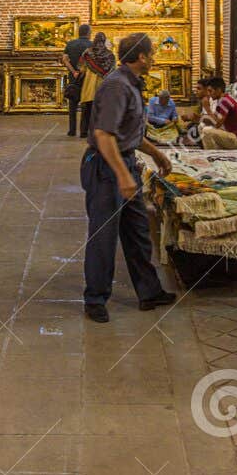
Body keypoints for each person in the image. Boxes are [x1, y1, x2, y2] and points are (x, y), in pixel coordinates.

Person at [81, 31, 177, 323]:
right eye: (152, 54)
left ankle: (149, 292)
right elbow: (104, 134)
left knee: (137, 231)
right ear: (141, 57)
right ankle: (95, 299)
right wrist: (123, 175)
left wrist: (157, 155)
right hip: (106, 169)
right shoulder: (117, 87)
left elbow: (129, 132)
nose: (154, 58)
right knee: (104, 236)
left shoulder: (132, 84)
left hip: (123, 164)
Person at [77, 30, 115, 138]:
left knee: (86, 111)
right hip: (102, 87)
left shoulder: (87, 53)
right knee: (100, 111)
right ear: (104, 41)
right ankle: (99, 132)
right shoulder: (110, 55)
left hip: (88, 87)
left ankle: (84, 132)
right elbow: (112, 72)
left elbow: (81, 68)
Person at [195, 74, 237, 149]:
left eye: (210, 91)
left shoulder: (225, 101)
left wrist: (207, 108)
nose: (209, 94)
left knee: (206, 131)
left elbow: (217, 124)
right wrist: (199, 118)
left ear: (218, 90)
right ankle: (213, 152)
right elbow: (214, 119)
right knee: (202, 127)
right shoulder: (221, 100)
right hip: (230, 134)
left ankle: (212, 155)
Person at [63, 22, 92, 137]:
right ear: (89, 33)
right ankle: (84, 132)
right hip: (86, 79)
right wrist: (81, 72)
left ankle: (72, 130)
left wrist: (74, 72)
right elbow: (91, 63)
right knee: (85, 106)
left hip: (73, 78)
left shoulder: (70, 44)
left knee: (72, 105)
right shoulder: (91, 45)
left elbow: (65, 59)